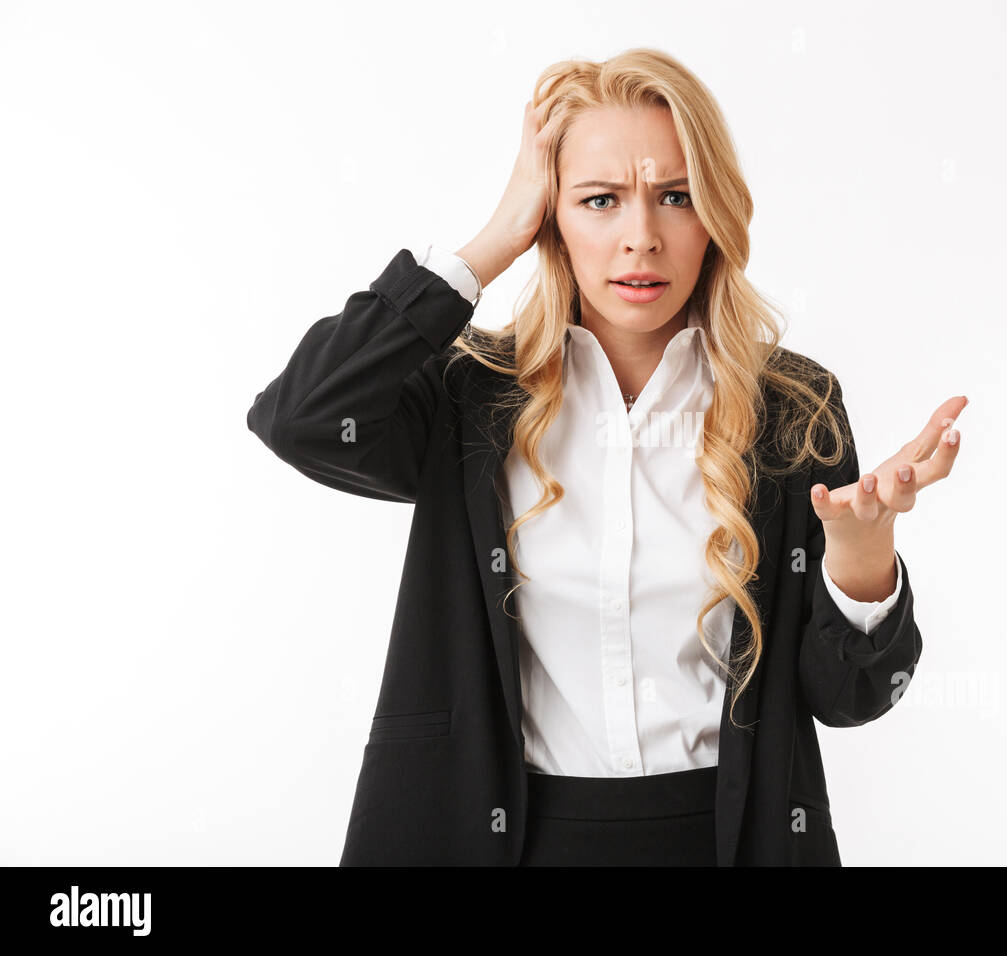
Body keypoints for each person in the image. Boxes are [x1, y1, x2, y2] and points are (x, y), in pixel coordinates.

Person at [246, 48, 966, 866]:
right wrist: (492, 239)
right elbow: (301, 415)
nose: (641, 239)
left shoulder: (793, 408)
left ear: (716, 215)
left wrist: (863, 559)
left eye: (675, 196)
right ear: (551, 216)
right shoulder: (468, 397)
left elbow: (848, 699)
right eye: (599, 200)